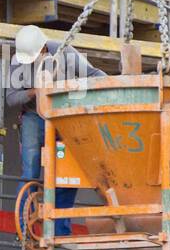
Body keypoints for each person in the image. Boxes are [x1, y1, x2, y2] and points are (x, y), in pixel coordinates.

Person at [6, 24, 105, 238]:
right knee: (30, 172)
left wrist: (112, 86)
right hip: (34, 117)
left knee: (66, 173)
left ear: (43, 48)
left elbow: (93, 73)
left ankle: (60, 231)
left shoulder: (64, 52)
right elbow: (11, 97)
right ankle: (24, 230)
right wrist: (35, 91)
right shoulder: (17, 61)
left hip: (63, 116)